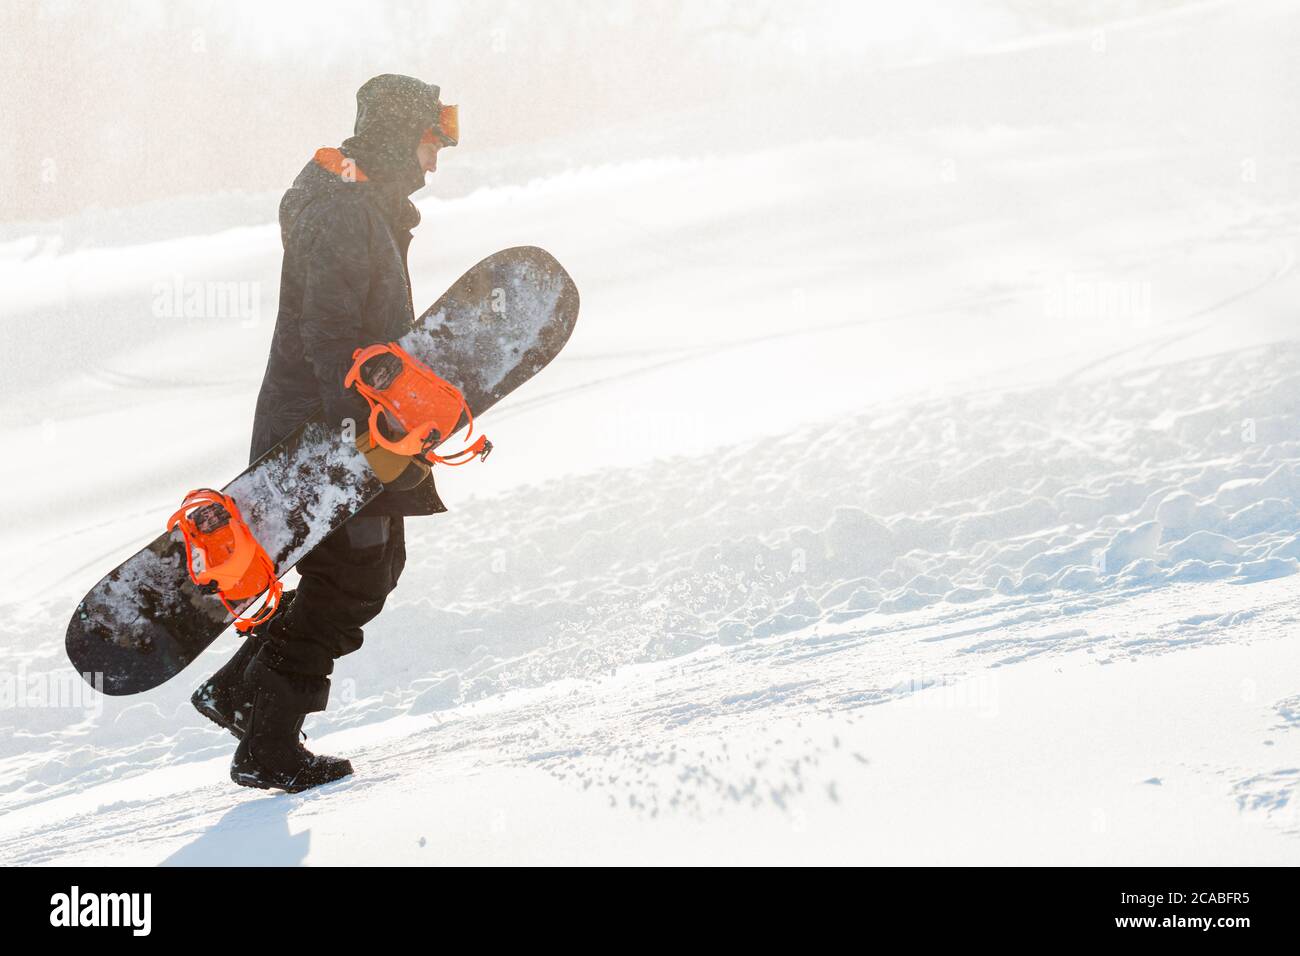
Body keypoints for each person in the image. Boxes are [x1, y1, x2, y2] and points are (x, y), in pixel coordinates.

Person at [190, 74, 458, 792]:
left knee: (376, 568)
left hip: (357, 425)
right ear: (402, 133)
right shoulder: (343, 212)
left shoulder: (360, 204)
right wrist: (358, 435)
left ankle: (244, 690)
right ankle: (267, 743)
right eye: (436, 133)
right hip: (331, 431)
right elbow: (329, 335)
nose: (440, 150)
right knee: (351, 577)